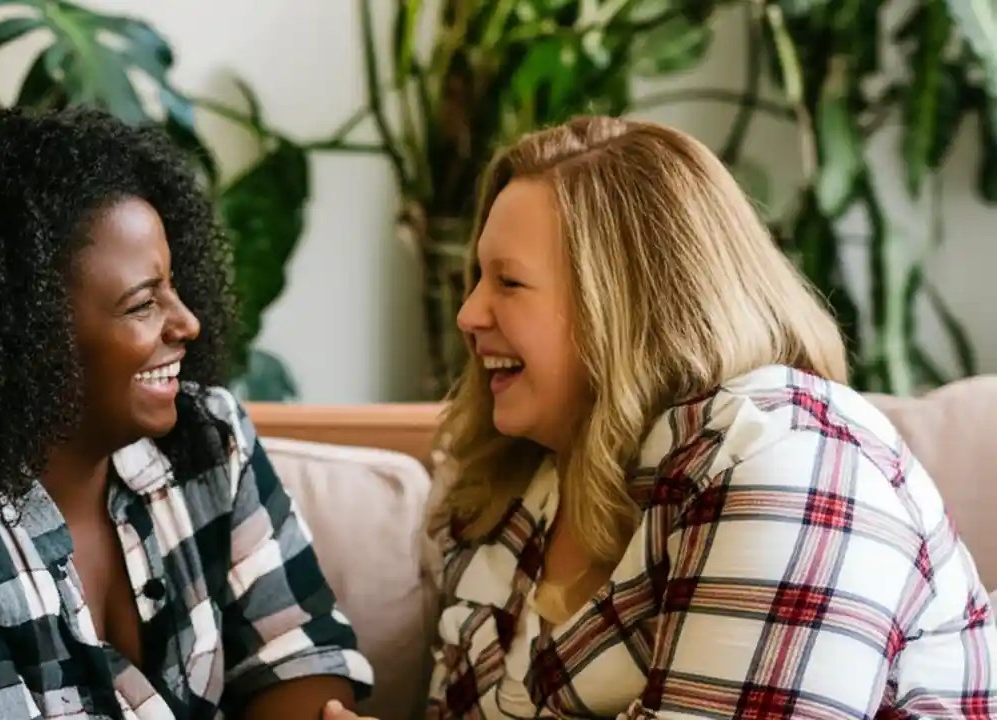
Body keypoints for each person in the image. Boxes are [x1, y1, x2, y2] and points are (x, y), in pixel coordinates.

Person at [0, 107, 373, 719]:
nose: (189, 323)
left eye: (173, 285)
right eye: (143, 303)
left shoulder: (208, 440)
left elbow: (301, 659)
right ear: (21, 336)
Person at [422, 116, 997, 718]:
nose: (467, 313)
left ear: (629, 304)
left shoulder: (787, 459)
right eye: (477, 278)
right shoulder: (517, 483)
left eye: (509, 282)